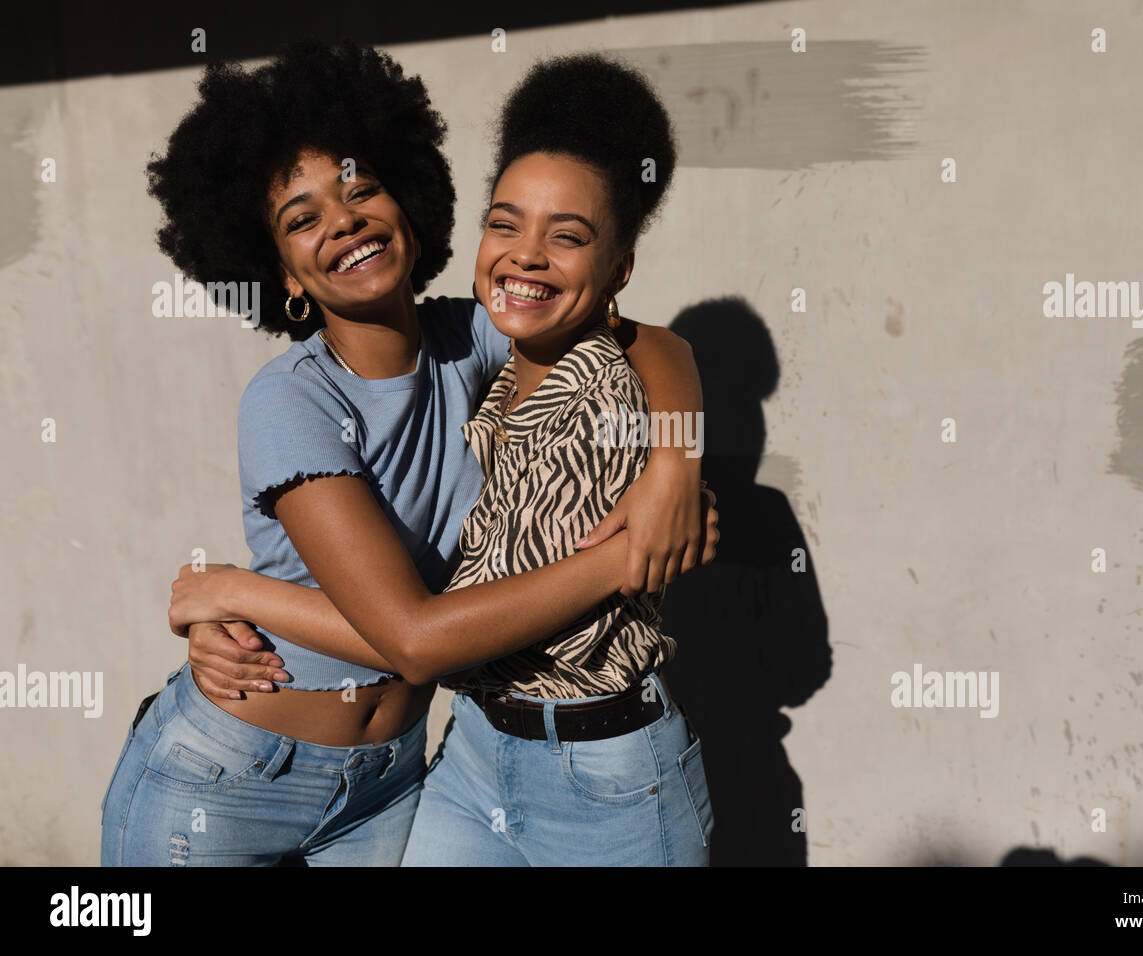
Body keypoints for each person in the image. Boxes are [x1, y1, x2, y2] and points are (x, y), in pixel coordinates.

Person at [101, 40, 715, 867]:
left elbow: (651, 340)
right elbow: (414, 639)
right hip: (230, 776)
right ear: (282, 273)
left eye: (361, 190)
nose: (344, 221)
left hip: (389, 783)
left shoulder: (473, 339)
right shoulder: (292, 401)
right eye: (302, 218)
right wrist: (629, 556)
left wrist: (677, 463)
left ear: (406, 202)